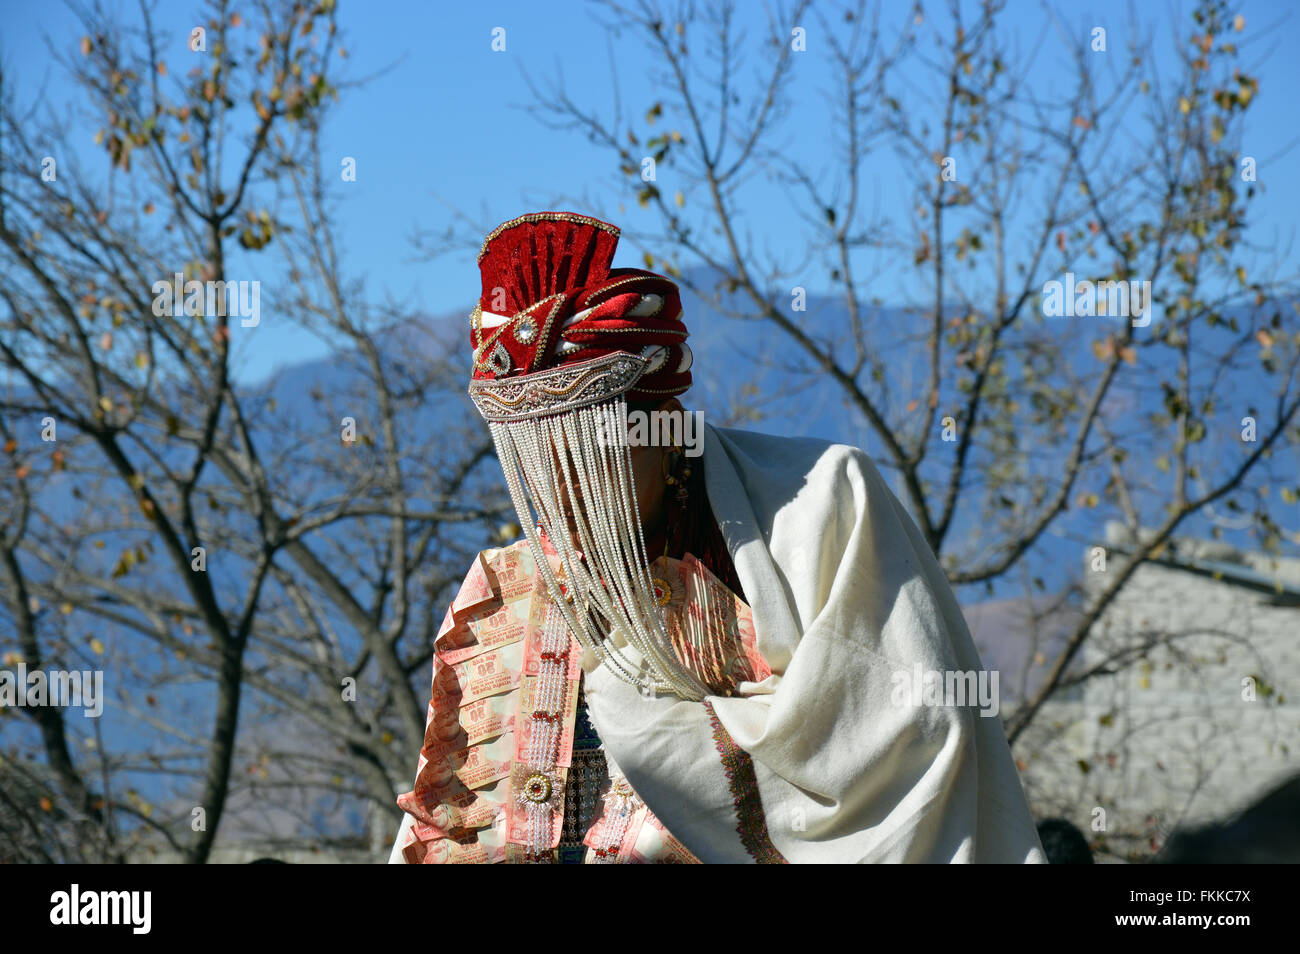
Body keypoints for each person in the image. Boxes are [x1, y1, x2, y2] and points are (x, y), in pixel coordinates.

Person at [388, 210, 1046, 863]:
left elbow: (900, 761)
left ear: (662, 421)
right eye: (538, 462)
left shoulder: (815, 513)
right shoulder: (507, 587)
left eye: (592, 453)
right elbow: (454, 828)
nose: (564, 492)